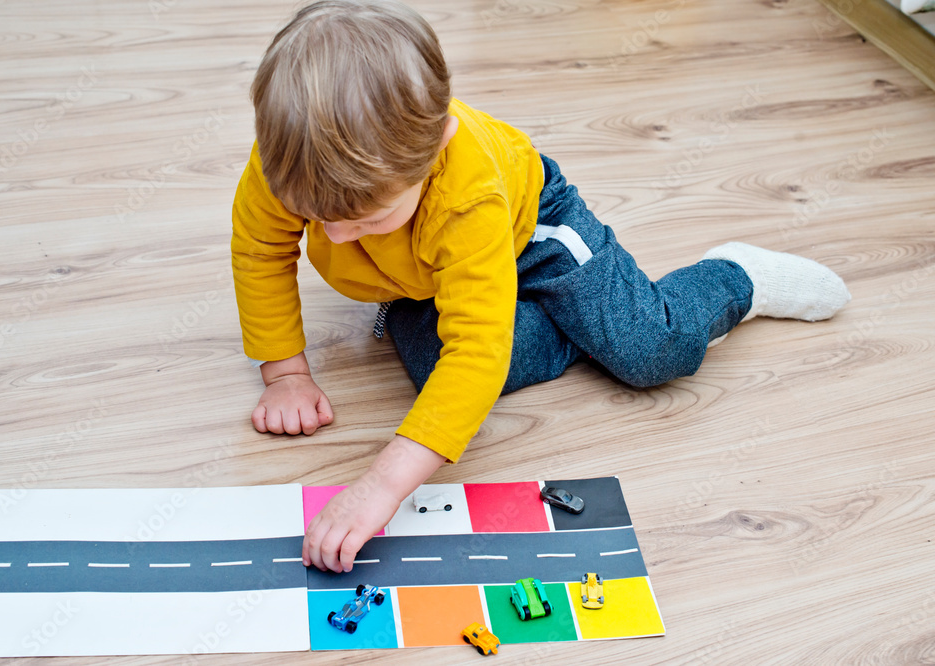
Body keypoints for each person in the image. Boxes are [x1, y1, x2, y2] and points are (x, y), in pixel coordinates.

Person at [230, 0, 851, 574]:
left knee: (648, 350)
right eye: (317, 217)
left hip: (535, 237)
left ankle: (736, 277)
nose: (336, 237)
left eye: (366, 220)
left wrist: (380, 486)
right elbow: (261, 252)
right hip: (425, 273)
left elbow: (476, 353)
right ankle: (555, 318)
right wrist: (285, 374)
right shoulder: (288, 161)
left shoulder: (468, 196)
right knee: (433, 373)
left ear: (437, 146)